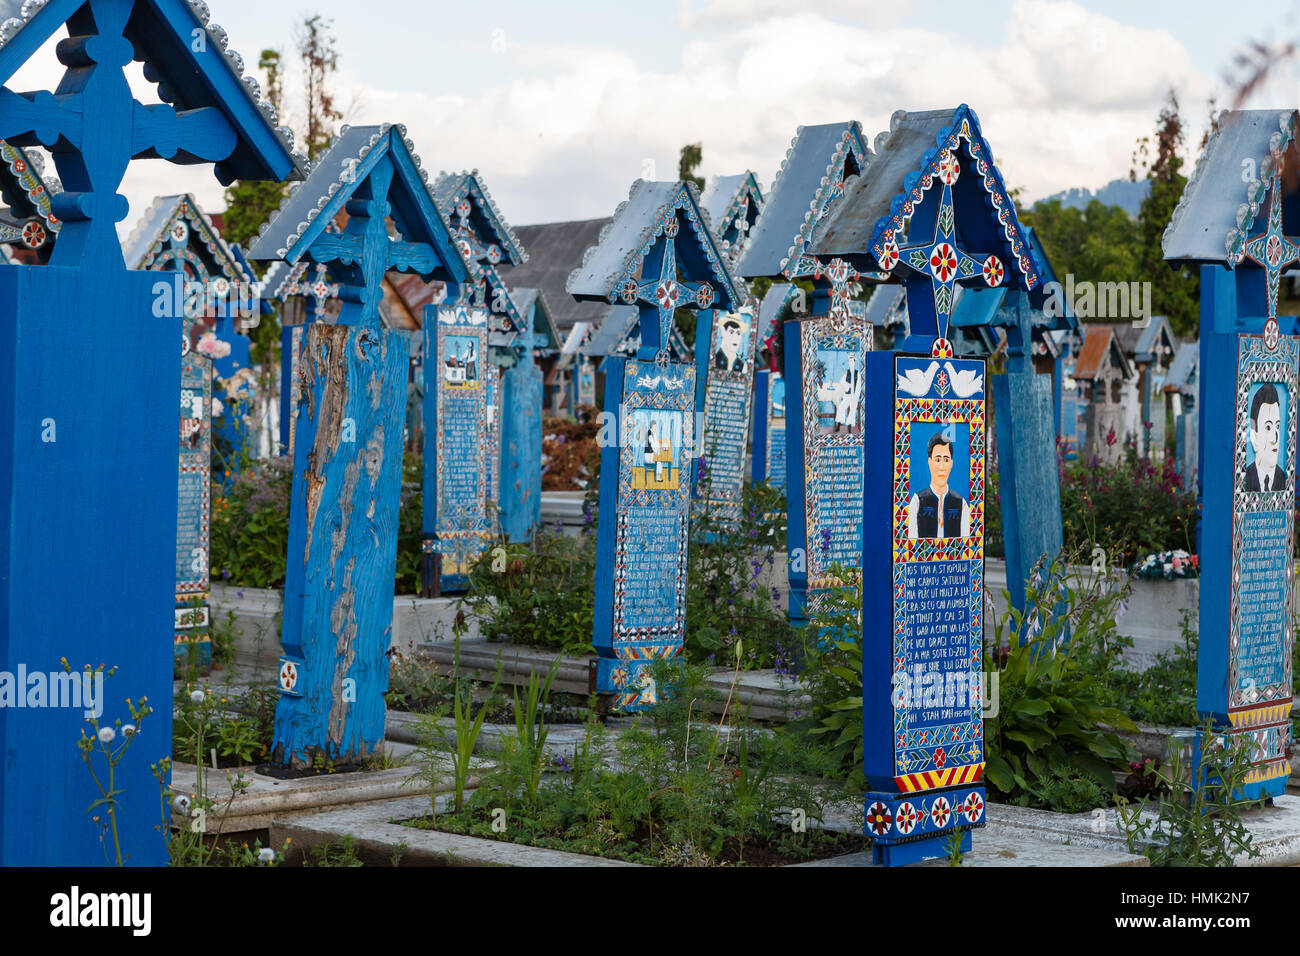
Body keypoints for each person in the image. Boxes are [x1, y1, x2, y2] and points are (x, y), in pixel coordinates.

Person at [907, 430, 971, 539]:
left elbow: (966, 544)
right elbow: (911, 543)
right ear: (929, 461)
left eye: (946, 460)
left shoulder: (962, 504)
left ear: (951, 463)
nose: (941, 467)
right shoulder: (917, 502)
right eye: (937, 459)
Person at [1245, 383, 1286, 493]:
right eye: (1268, 427)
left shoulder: (1283, 479)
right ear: (1254, 438)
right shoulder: (1245, 479)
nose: (1275, 438)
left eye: (1277, 426)